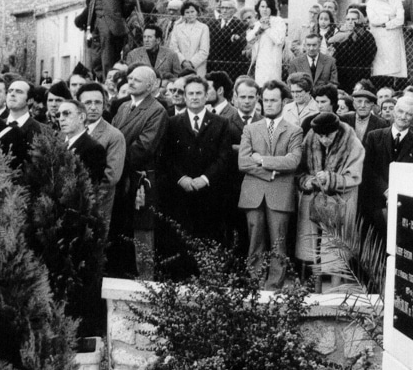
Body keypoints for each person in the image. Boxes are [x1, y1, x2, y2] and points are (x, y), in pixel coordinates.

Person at [238, 80, 304, 289]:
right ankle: (255, 285)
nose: (268, 104)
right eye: (265, 100)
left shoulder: (294, 131)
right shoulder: (250, 129)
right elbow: (243, 162)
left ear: (283, 102)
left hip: (280, 194)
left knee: (279, 242)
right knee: (254, 241)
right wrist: (272, 171)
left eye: (273, 100)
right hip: (253, 193)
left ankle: (274, 286)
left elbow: (293, 161)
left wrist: (262, 160)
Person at [295, 112, 365, 292]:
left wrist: (331, 178)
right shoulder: (310, 138)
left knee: (335, 248)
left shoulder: (352, 142)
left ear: (337, 131)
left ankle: (334, 290)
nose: (324, 140)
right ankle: (314, 289)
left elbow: (354, 176)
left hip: (340, 201)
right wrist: (308, 181)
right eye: (321, 136)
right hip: (313, 200)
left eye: (329, 136)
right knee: (312, 246)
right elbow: (300, 170)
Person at [110, 66, 168, 277]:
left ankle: (145, 279)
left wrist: (114, 160)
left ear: (150, 86)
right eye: (130, 78)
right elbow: (112, 135)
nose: (131, 82)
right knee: (121, 228)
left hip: (139, 179)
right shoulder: (123, 107)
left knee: (142, 230)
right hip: (120, 176)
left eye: (137, 80)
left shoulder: (156, 110)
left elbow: (144, 147)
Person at [161, 76, 233, 243]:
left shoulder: (221, 123)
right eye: (190, 93)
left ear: (206, 96)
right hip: (180, 193)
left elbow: (224, 157)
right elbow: (166, 156)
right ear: (185, 97)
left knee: (209, 238)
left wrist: (205, 179)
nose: (194, 97)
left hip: (210, 192)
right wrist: (182, 179)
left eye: (199, 93)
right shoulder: (172, 123)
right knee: (180, 238)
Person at [360, 95, 413, 254]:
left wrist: (396, 193)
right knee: (372, 250)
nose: (403, 116)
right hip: (374, 203)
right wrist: (385, 190)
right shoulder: (374, 137)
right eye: (400, 111)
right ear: (394, 111)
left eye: (409, 114)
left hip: (402, 206)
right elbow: (367, 169)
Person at [77, 82, 126, 237]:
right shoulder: (70, 130)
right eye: (88, 103)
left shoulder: (114, 135)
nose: (93, 107)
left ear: (104, 105)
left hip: (97, 204)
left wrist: (86, 198)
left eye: (97, 102)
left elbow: (111, 176)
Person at [366, 0, 407, 90]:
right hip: (378, 39)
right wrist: (389, 17)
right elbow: (374, 20)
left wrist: (386, 24)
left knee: (393, 70)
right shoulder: (371, 2)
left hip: (394, 40)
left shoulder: (396, 0)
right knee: (379, 70)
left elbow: (400, 19)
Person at [58, 99, 107, 184]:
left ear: (81, 117)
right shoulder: (58, 142)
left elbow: (90, 185)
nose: (61, 119)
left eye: (66, 113)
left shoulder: (93, 148)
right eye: (59, 115)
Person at [329, 8, 377, 94]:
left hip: (360, 74)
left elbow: (369, 56)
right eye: (348, 19)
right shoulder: (339, 34)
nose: (350, 22)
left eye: (353, 19)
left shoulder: (367, 35)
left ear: (360, 20)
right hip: (342, 75)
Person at [246, 0, 286, 86]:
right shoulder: (258, 23)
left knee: (271, 86)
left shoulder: (278, 21)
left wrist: (267, 28)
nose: (264, 9)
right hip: (259, 62)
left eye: (267, 7)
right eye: (262, 6)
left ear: (272, 8)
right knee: (259, 86)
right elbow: (249, 38)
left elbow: (279, 40)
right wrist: (260, 28)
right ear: (258, 8)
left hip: (272, 62)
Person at [167, 0, 210, 77]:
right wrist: (183, 62)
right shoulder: (177, 28)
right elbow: (173, 47)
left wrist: (191, 63)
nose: (190, 15)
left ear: (197, 12)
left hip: (197, 68)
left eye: (192, 12)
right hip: (180, 67)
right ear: (183, 14)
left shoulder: (203, 28)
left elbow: (204, 50)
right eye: (187, 12)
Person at [208, 0, 248, 82]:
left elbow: (241, 44)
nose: (224, 10)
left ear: (234, 10)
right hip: (214, 64)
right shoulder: (212, 24)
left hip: (232, 65)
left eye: (228, 8)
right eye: (222, 8)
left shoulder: (240, 24)